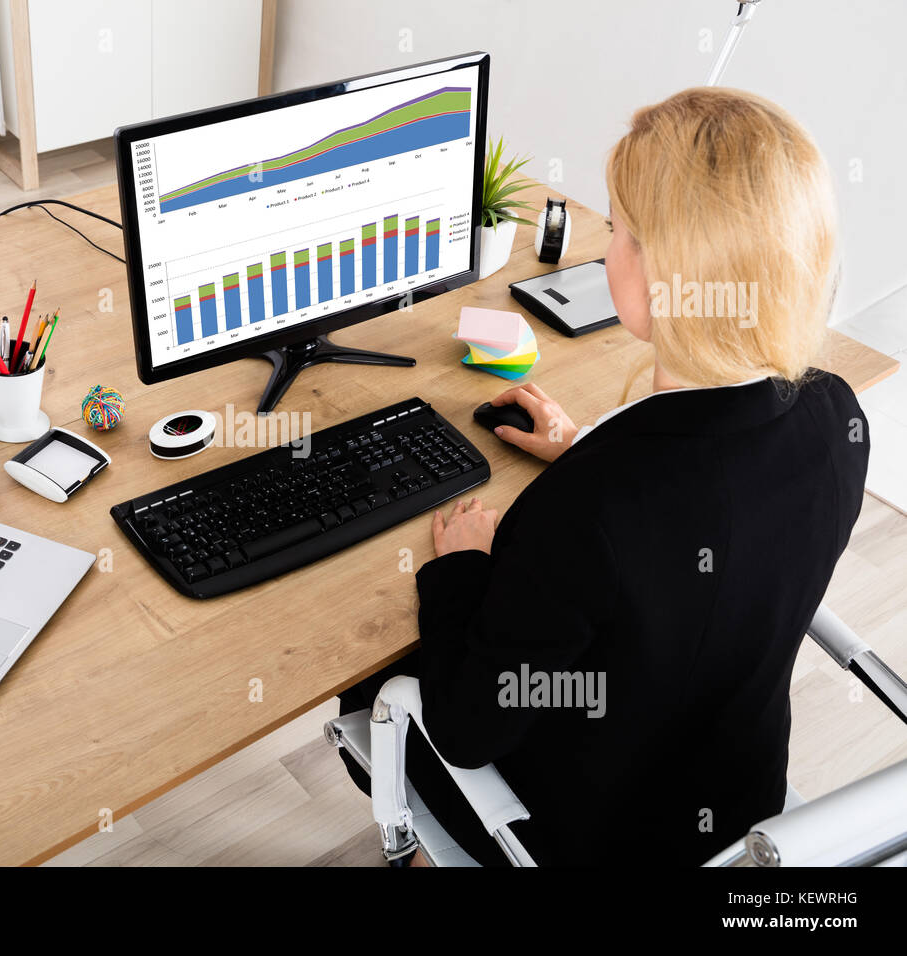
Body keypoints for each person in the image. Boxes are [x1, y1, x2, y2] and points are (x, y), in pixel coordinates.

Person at [339, 87, 869, 866]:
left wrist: (461, 569)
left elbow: (468, 725)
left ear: (668, 273)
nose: (604, 246)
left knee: (370, 686)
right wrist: (590, 441)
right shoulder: (837, 414)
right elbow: (716, 510)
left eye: (617, 231)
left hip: (600, 832)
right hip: (738, 797)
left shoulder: (591, 511)